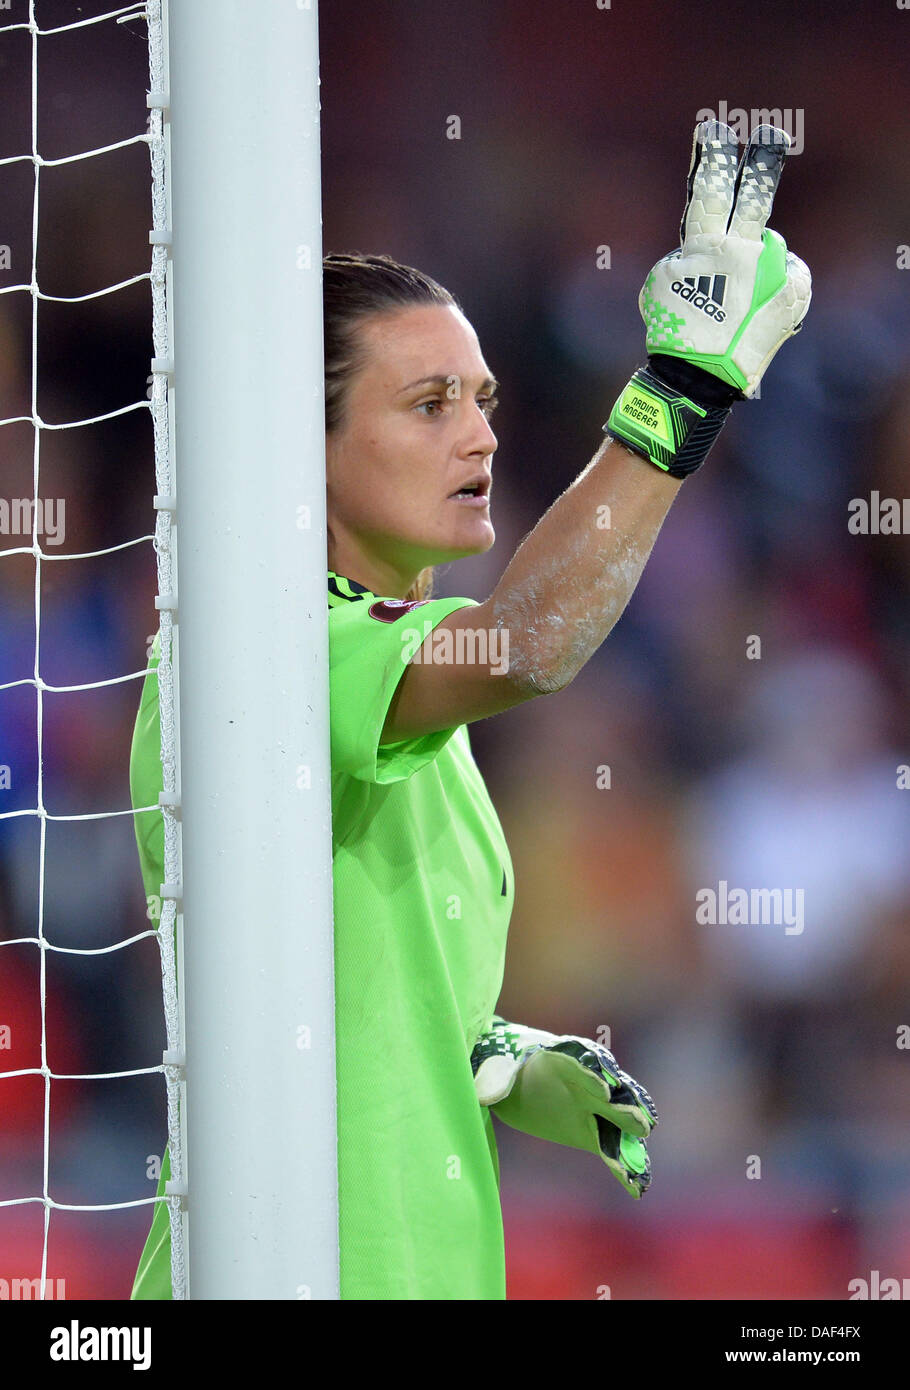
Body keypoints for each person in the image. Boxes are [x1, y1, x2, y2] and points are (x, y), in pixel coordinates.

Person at [130, 118, 810, 1299]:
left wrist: (489, 1053)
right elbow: (532, 642)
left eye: (484, 399)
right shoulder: (260, 647)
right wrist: (684, 385)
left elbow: (345, 984)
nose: (481, 435)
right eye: (429, 403)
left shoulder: (405, 704)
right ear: (301, 444)